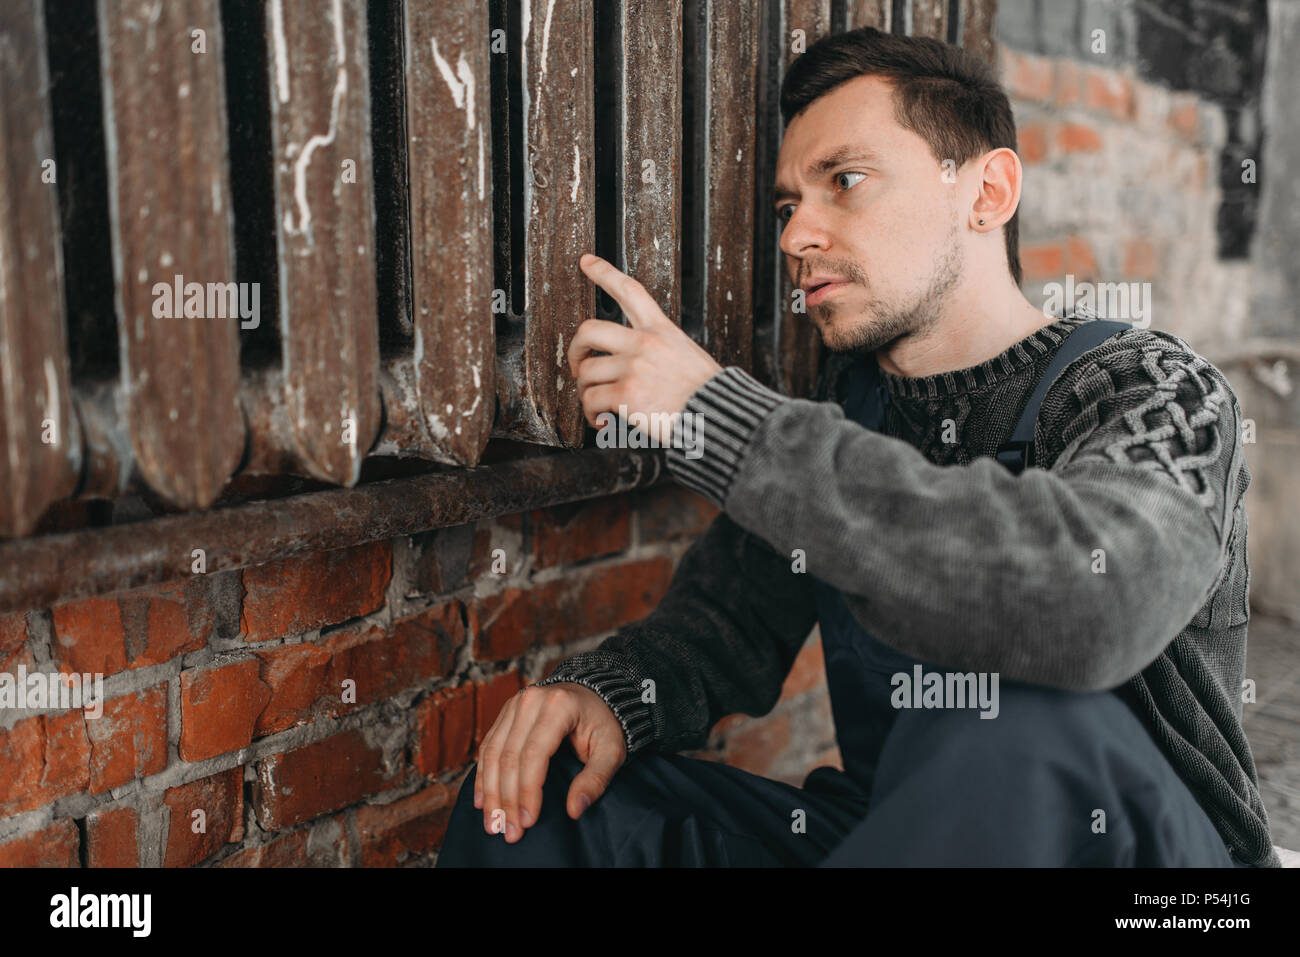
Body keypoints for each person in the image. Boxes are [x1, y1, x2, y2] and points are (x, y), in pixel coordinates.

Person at [436, 26, 1279, 867]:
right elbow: (727, 621)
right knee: (532, 805)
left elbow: (1090, 608)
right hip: (902, 831)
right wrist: (608, 694)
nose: (797, 235)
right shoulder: (850, 407)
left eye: (845, 180)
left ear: (986, 191)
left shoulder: (1157, 389)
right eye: (787, 206)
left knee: (1009, 720)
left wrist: (719, 418)